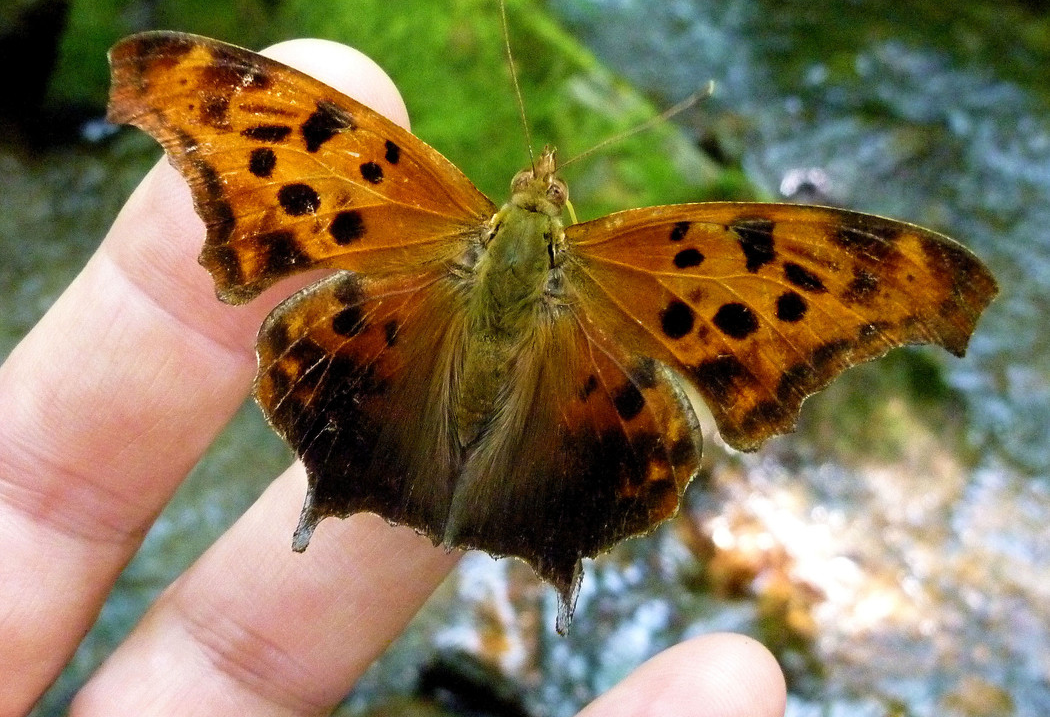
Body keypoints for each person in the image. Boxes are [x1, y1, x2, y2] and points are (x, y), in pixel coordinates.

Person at [0, 38, 787, 716]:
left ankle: (507, 522)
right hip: (533, 381)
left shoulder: (401, 184)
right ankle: (379, 490)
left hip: (402, 342)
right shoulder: (675, 255)